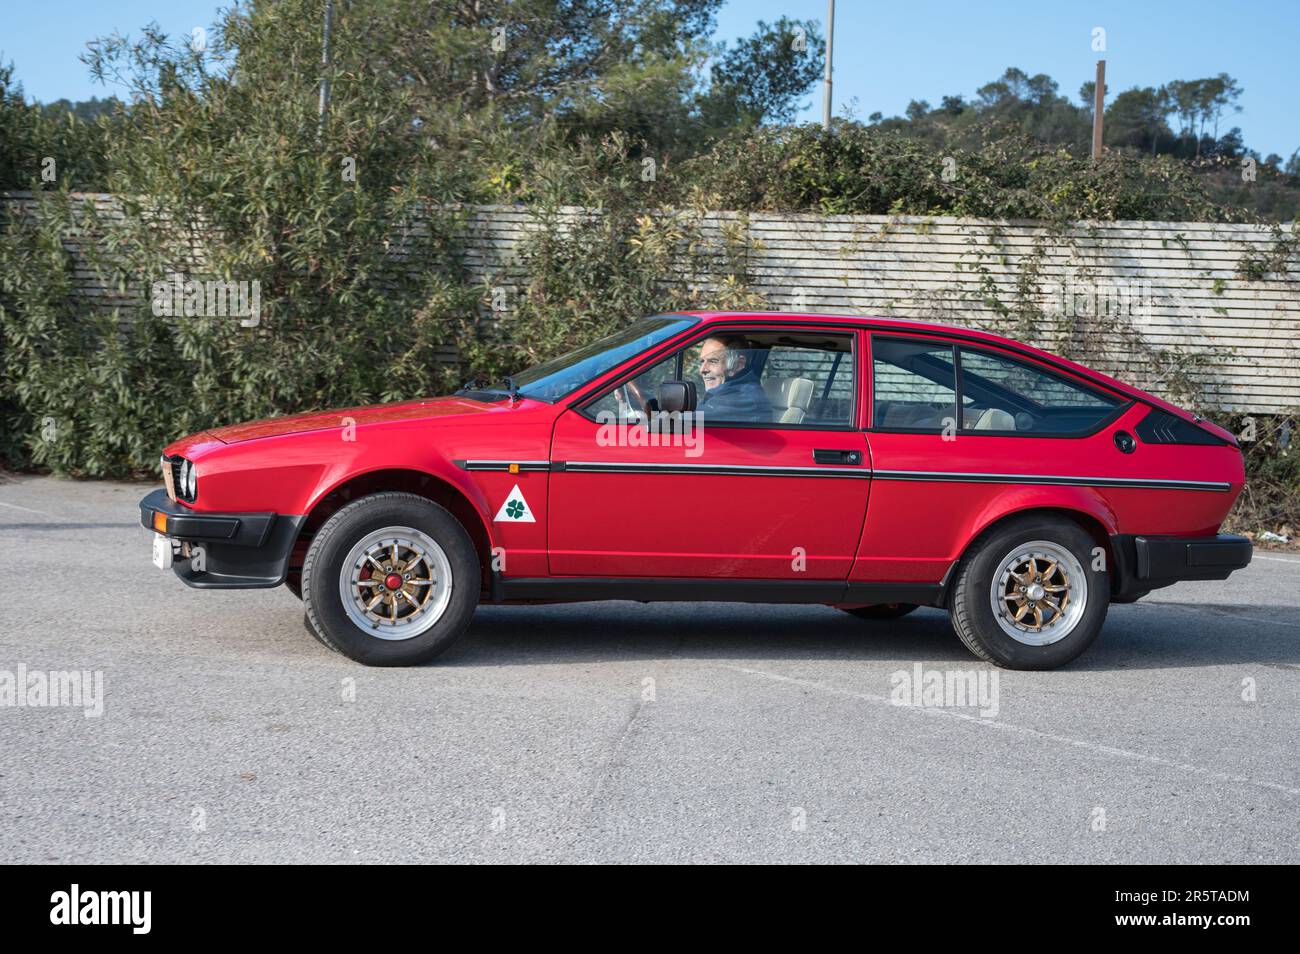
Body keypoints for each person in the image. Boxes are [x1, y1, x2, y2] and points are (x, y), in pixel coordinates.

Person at [695, 336, 771, 423]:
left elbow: (686, 424)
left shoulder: (743, 397)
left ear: (739, 364)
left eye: (713, 361)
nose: (702, 370)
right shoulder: (727, 392)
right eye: (702, 361)